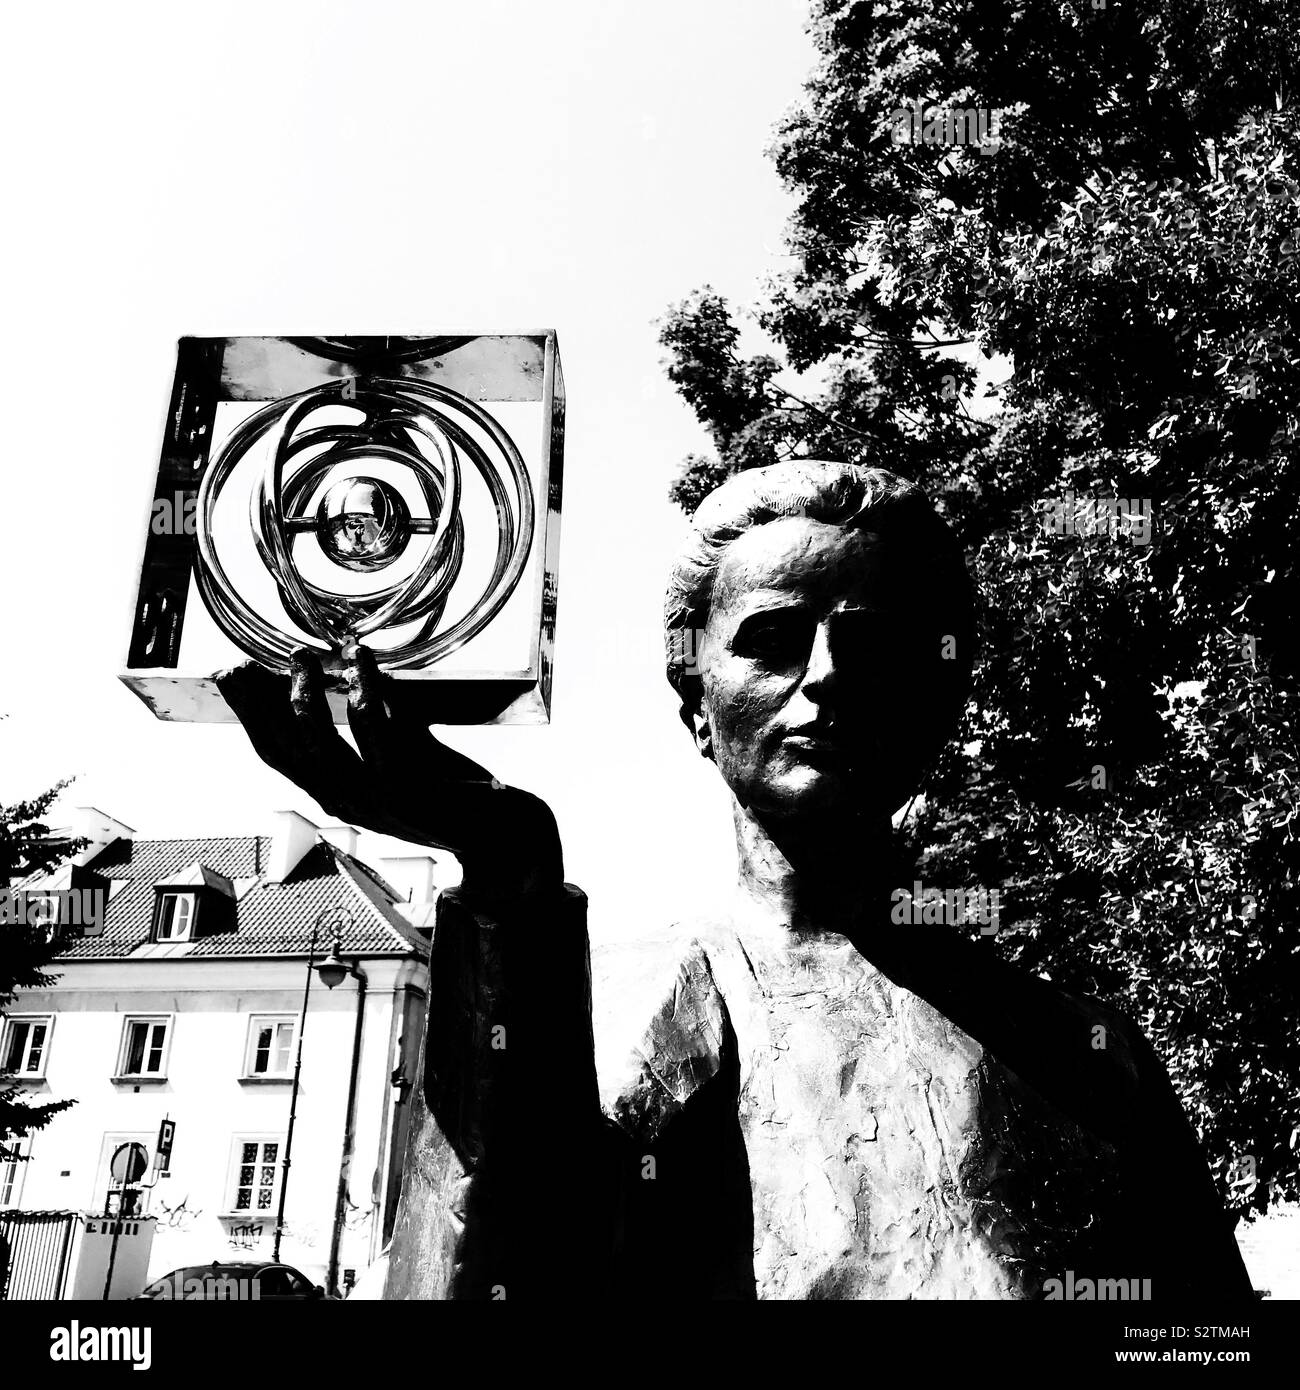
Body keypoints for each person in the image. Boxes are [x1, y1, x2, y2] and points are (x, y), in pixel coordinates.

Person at [218, 459, 1253, 1300]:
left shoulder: (1088, 1056)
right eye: (770, 639)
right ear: (693, 703)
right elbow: (479, 1281)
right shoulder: (608, 1005)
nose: (827, 677)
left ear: (939, 702)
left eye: (873, 646)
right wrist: (504, 879)